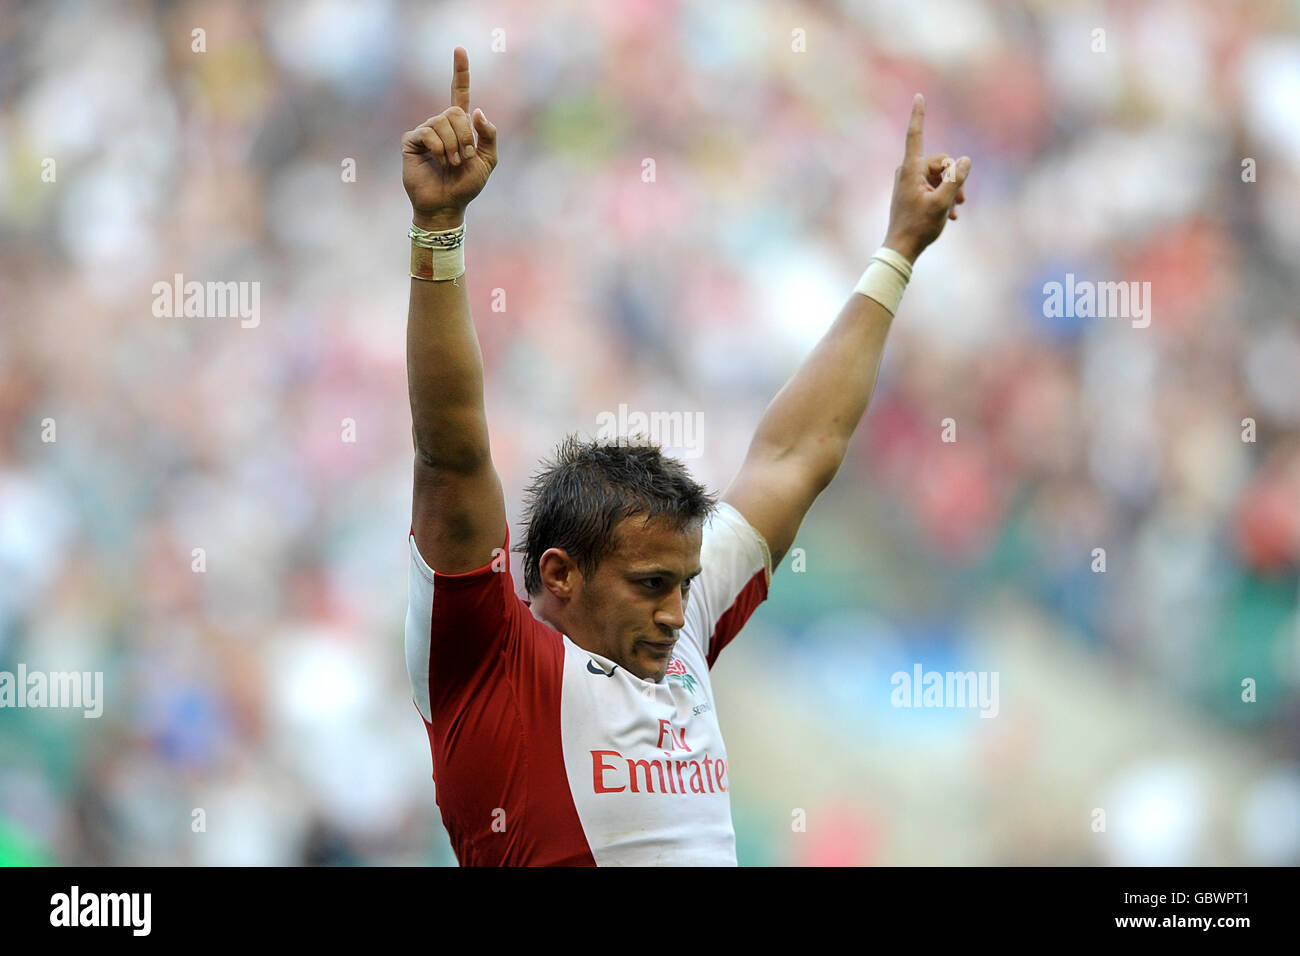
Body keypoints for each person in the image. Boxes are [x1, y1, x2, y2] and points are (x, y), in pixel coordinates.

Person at [401, 47, 970, 866]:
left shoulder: (679, 637)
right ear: (558, 574)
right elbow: (450, 455)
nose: (677, 611)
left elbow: (797, 454)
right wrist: (439, 232)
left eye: (682, 585)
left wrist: (898, 253)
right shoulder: (490, 666)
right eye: (650, 586)